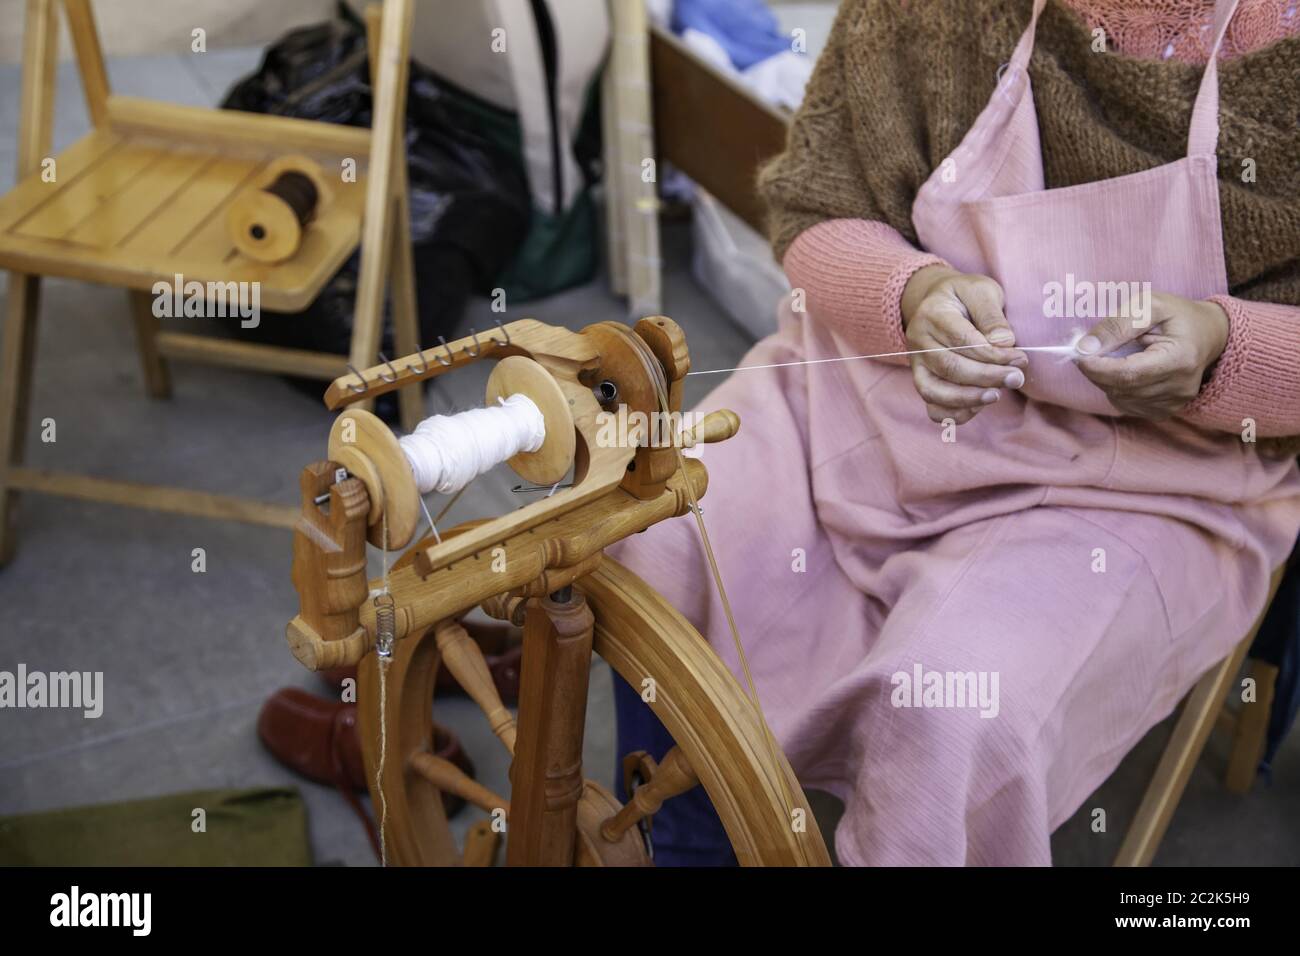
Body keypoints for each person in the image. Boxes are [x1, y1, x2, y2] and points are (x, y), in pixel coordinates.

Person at [611, 0, 1300, 865]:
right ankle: (682, 843)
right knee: (650, 527)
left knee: (952, 709)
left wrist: (1220, 350)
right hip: (866, 397)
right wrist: (909, 295)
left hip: (1152, 482)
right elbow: (817, 203)